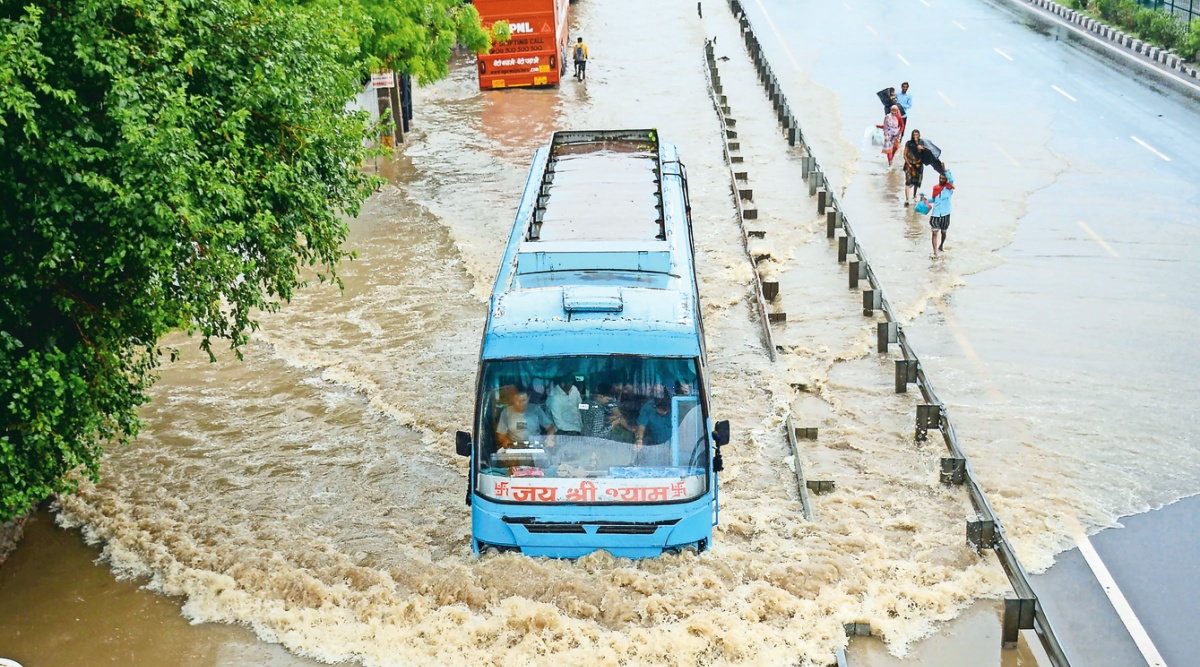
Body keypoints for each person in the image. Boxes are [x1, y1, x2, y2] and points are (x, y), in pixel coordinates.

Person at [635, 396, 675, 466]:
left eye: (666, 410)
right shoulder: (648, 408)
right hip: (654, 444)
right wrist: (639, 440)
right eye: (661, 410)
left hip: (674, 445)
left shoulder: (676, 406)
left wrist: (674, 447)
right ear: (654, 406)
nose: (664, 412)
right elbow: (641, 425)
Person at [922, 169, 955, 254]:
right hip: (935, 214)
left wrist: (945, 170)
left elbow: (952, 180)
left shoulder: (949, 189)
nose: (941, 180)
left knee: (943, 232)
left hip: (945, 214)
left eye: (943, 179)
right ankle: (935, 252)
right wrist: (926, 200)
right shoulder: (936, 188)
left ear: (946, 180)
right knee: (934, 233)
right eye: (940, 178)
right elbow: (934, 199)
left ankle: (941, 245)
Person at [903, 129, 925, 205]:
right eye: (914, 134)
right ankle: (907, 199)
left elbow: (926, 154)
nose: (915, 136)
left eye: (917, 134)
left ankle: (914, 196)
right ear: (912, 135)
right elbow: (905, 155)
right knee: (908, 181)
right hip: (909, 165)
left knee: (916, 182)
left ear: (919, 135)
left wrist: (922, 149)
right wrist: (908, 163)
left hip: (918, 165)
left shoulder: (922, 143)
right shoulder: (909, 143)